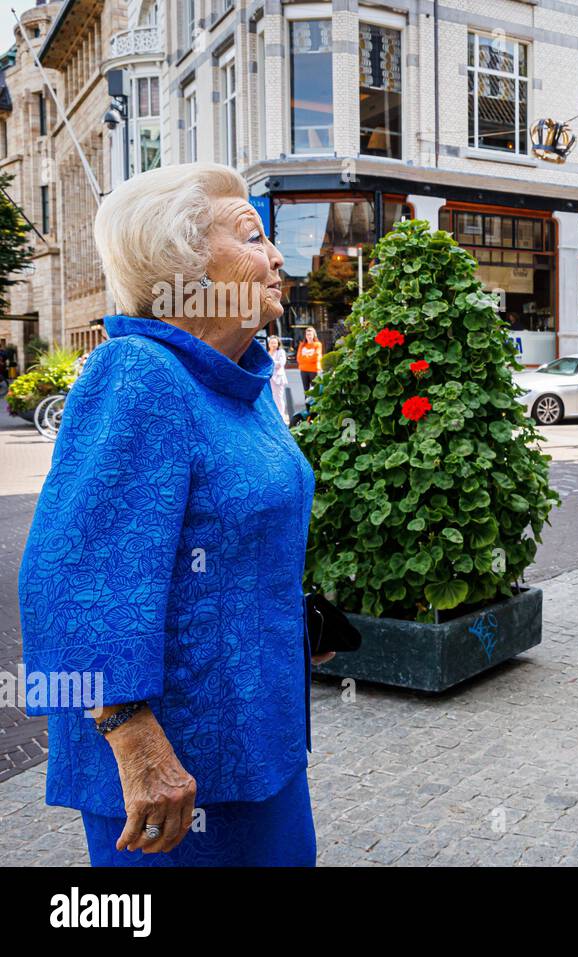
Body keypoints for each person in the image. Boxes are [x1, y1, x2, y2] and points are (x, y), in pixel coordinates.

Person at [18, 162, 332, 867]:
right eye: (253, 235)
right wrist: (132, 738)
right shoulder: (138, 372)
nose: (278, 256)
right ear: (180, 263)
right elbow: (67, 580)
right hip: (172, 783)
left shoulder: (241, 381)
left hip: (262, 742)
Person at [267, 334, 289, 423]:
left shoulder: (281, 352)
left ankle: (281, 416)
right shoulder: (267, 353)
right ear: (269, 344)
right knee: (271, 398)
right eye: (271, 343)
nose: (273, 345)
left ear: (278, 344)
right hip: (269, 378)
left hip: (278, 378)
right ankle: (274, 415)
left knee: (279, 398)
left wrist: (271, 363)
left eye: (275, 343)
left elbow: (281, 363)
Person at [296, 326, 322, 393]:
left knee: (315, 390)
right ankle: (307, 403)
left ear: (314, 335)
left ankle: (315, 403)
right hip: (303, 370)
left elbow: (316, 357)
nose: (309, 336)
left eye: (310, 334)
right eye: (307, 334)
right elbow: (299, 359)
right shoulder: (302, 345)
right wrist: (309, 358)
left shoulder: (318, 345)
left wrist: (305, 358)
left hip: (314, 370)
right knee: (306, 390)